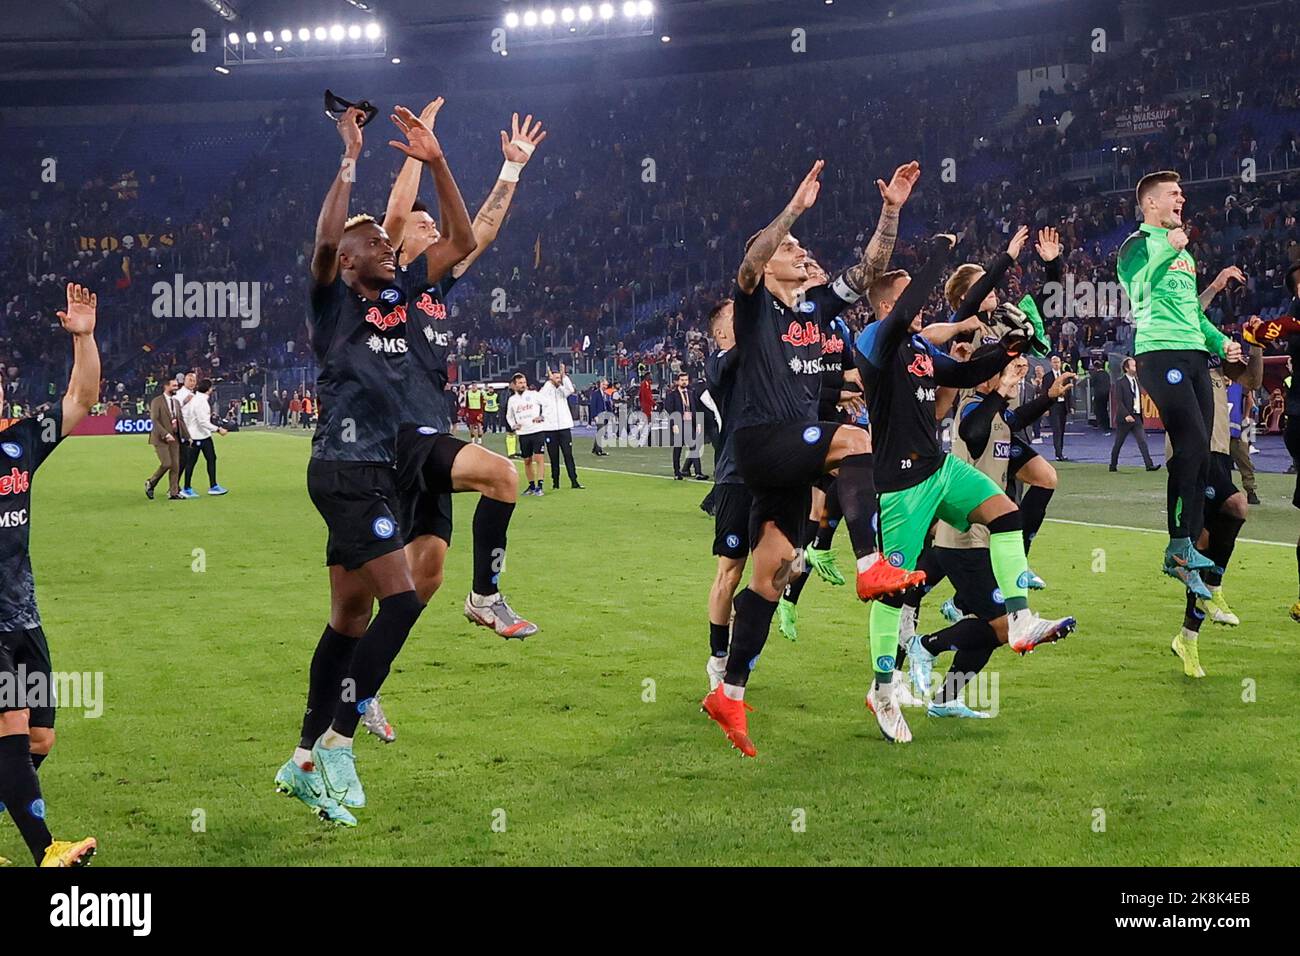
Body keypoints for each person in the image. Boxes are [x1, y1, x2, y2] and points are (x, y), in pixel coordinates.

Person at [699, 159, 925, 757]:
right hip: (761, 439)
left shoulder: (815, 310)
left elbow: (869, 270)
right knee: (855, 439)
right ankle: (870, 562)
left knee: (771, 575)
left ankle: (731, 692)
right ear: (768, 259)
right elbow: (749, 264)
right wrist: (792, 210)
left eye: (800, 244)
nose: (800, 251)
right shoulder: (753, 305)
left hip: (787, 460)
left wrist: (892, 210)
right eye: (789, 247)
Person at [273, 105, 432, 828]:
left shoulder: (391, 299)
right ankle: (340, 739)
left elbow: (422, 227)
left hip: (373, 472)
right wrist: (349, 156)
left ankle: (301, 759)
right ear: (347, 258)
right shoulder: (331, 301)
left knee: (348, 619)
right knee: (402, 603)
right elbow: (326, 236)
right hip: (344, 470)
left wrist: (423, 158)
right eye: (373, 242)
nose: (388, 245)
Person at [857, 225, 1076, 744]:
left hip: (939, 468)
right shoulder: (874, 342)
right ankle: (883, 691)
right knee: (893, 595)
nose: (921, 302)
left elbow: (960, 374)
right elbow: (920, 304)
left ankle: (1019, 619)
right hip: (901, 488)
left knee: (1006, 514)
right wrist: (938, 253)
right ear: (890, 303)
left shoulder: (913, 348)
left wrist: (1008, 353)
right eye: (909, 294)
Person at [382, 102, 541, 643]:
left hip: (430, 431)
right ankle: (486, 596)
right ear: (401, 242)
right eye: (425, 226)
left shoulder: (434, 287)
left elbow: (482, 231)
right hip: (402, 435)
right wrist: (422, 159)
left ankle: (360, 688)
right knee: (503, 474)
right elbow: (400, 218)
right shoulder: (394, 284)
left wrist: (511, 170)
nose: (437, 231)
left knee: (421, 579)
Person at [0, 282, 100, 867]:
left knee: (40, 737)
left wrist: (84, 339)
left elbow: (82, 399)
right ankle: (48, 851)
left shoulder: (18, 445)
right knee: (11, 725)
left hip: (23, 614)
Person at [1116, 170, 1244, 598]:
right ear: (1150, 203)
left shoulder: (1185, 255)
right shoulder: (1138, 245)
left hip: (1195, 354)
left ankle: (1187, 543)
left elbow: (1192, 313)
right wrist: (1164, 253)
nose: (1181, 199)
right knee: (1188, 445)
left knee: (1201, 450)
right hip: (1158, 353)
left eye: (1182, 194)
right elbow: (1136, 292)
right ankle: (1177, 546)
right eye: (1173, 194)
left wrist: (1221, 341)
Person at [1109, 357, 1159, 472]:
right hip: (1125, 418)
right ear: (1126, 368)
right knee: (1118, 443)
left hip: (1137, 416)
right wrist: (1126, 414)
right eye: (1133, 366)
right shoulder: (1120, 382)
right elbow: (1119, 401)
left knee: (1142, 441)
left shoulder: (1137, 380)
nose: (1136, 368)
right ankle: (1113, 465)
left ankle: (1149, 465)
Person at [181, 379, 229, 496]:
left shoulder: (196, 399)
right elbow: (203, 422)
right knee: (193, 462)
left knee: (210, 459)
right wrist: (218, 429)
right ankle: (187, 488)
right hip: (198, 436)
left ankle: (213, 485)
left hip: (202, 435)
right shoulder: (201, 402)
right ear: (208, 389)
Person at [538, 364, 583, 489]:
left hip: (564, 427)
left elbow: (570, 390)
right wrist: (550, 382)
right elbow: (539, 398)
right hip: (550, 428)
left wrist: (564, 377)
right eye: (555, 377)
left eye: (559, 377)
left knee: (568, 455)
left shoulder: (562, 390)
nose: (557, 379)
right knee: (554, 457)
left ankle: (574, 481)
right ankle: (555, 483)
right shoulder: (546, 390)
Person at [145, 377, 188, 501]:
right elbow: (155, 420)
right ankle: (151, 483)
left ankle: (173, 493)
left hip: (175, 438)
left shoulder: (176, 402)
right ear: (166, 386)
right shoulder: (157, 401)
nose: (176, 388)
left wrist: (187, 436)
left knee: (175, 466)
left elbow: (181, 421)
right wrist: (165, 434)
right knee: (166, 463)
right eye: (174, 386)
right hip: (160, 438)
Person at [507, 372, 547, 496]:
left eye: (524, 382)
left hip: (537, 431)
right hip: (523, 433)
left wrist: (542, 416)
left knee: (539, 459)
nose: (523, 385)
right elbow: (509, 416)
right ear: (514, 385)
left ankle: (540, 486)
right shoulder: (512, 400)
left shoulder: (534, 395)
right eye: (520, 383)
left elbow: (547, 404)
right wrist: (514, 425)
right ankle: (531, 486)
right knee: (527, 460)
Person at [663, 371, 705, 480]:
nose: (684, 382)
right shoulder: (672, 394)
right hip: (678, 423)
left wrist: (698, 423)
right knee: (678, 449)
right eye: (682, 380)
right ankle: (677, 472)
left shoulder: (691, 393)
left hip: (690, 424)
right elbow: (670, 410)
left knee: (694, 448)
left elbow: (695, 409)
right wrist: (673, 424)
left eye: (686, 380)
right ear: (677, 381)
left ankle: (698, 472)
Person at [1043, 353, 1072, 460]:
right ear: (1051, 364)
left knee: (1062, 429)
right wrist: (1045, 408)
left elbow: (1069, 392)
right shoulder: (1047, 377)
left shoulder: (1065, 375)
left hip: (1063, 405)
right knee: (1057, 430)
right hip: (1053, 406)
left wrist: (1071, 406)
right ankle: (1058, 454)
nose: (1056, 364)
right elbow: (1044, 393)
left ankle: (1061, 452)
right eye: (1054, 362)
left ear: (1060, 363)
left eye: (1058, 362)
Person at [589, 379, 612, 456]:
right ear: (601, 384)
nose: (605, 386)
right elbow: (593, 405)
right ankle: (599, 450)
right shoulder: (596, 393)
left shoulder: (606, 394)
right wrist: (595, 416)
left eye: (606, 385)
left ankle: (595, 449)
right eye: (604, 385)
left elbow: (608, 404)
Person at [1089, 359, 1111, 432]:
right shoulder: (1106, 374)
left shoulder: (1095, 375)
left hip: (1098, 395)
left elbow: (1092, 383)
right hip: (1106, 394)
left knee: (1098, 410)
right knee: (1104, 410)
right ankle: (1106, 424)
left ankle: (1101, 424)